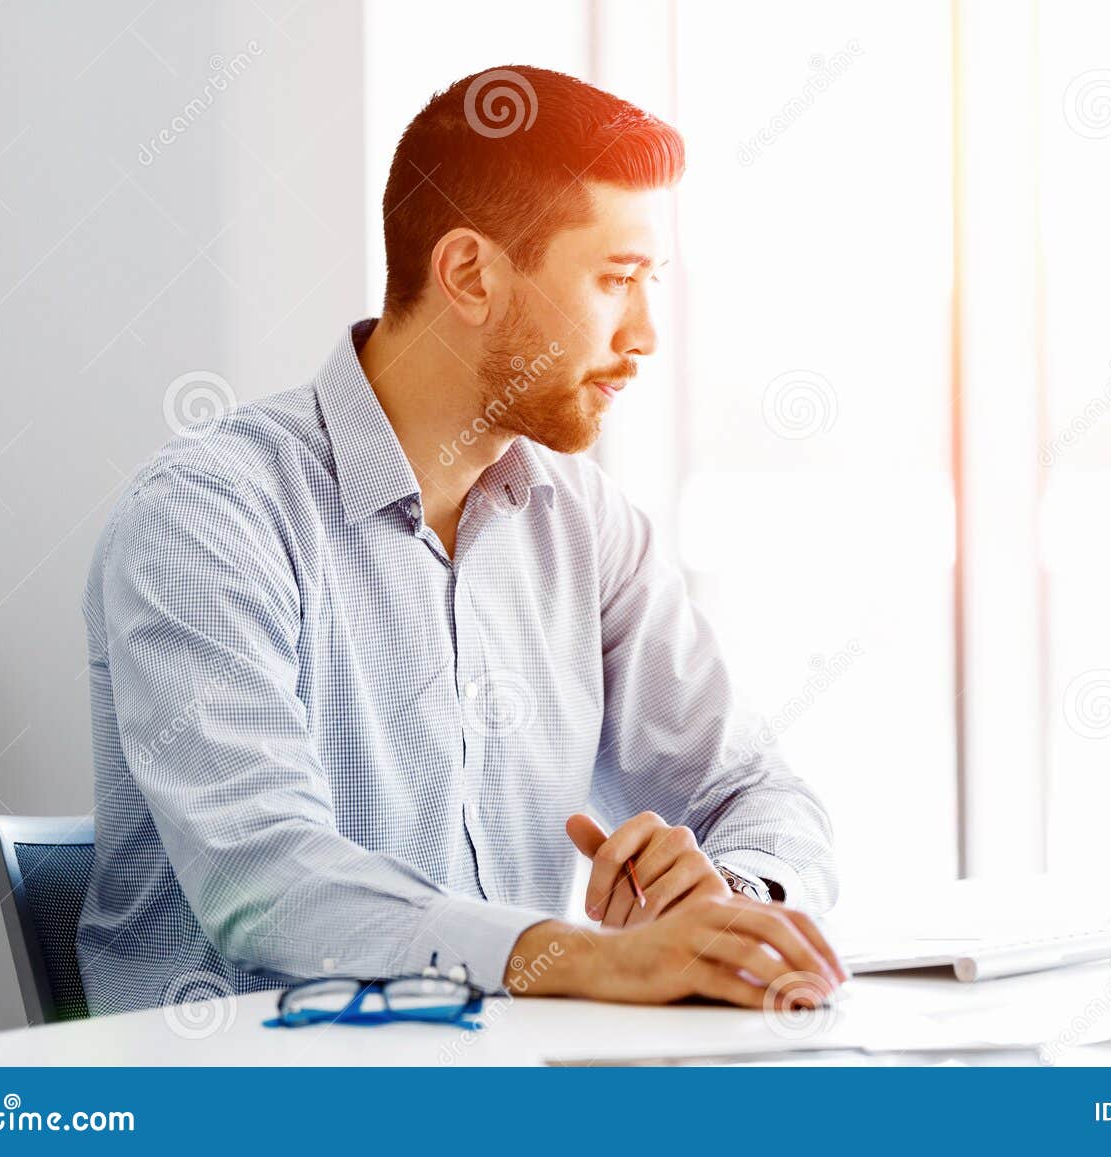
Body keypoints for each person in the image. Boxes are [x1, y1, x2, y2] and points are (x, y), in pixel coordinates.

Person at [77, 65, 843, 1016]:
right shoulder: (209, 515)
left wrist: (727, 900)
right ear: (472, 275)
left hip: (506, 1066)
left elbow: (759, 792)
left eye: (651, 283)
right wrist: (586, 959)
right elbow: (266, 878)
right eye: (615, 280)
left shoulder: (587, 523)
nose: (646, 334)